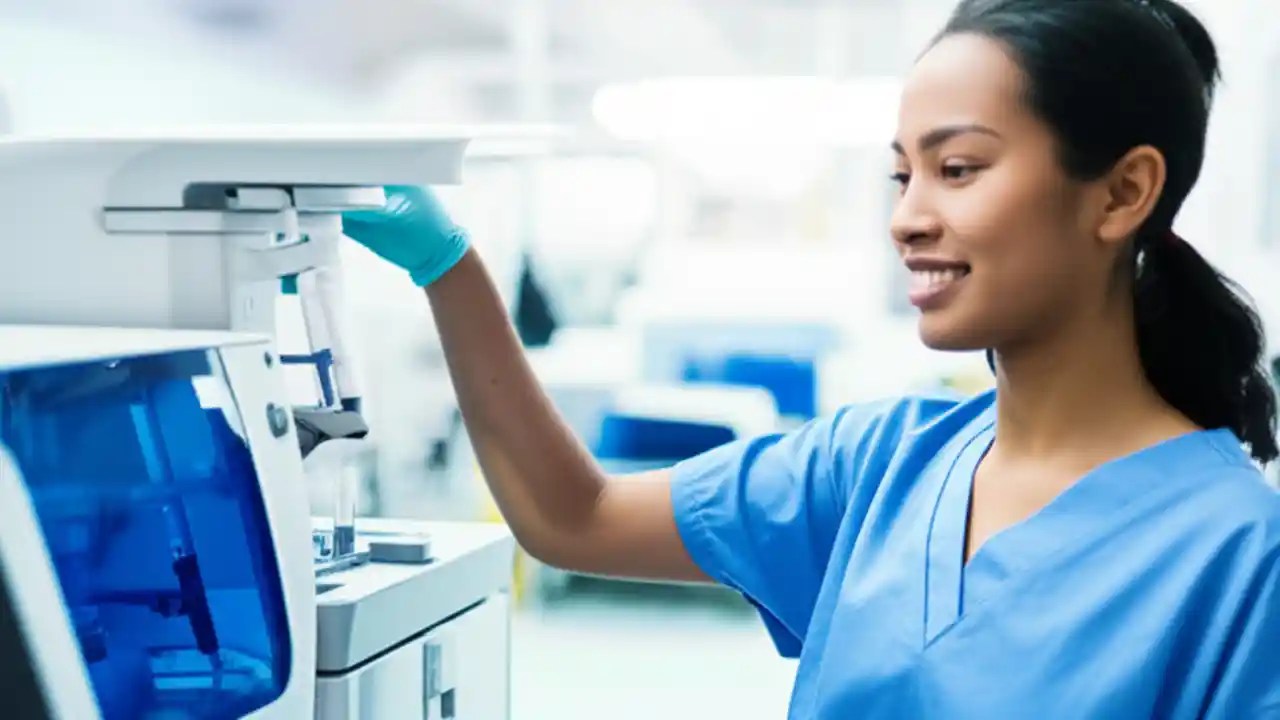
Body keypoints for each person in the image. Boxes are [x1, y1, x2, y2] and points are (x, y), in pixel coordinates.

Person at [340, 0, 1280, 716]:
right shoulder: (877, 467)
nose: (908, 216)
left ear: (1122, 193)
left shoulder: (1237, 559)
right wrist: (451, 269)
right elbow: (573, 516)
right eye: (901, 174)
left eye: (958, 169)